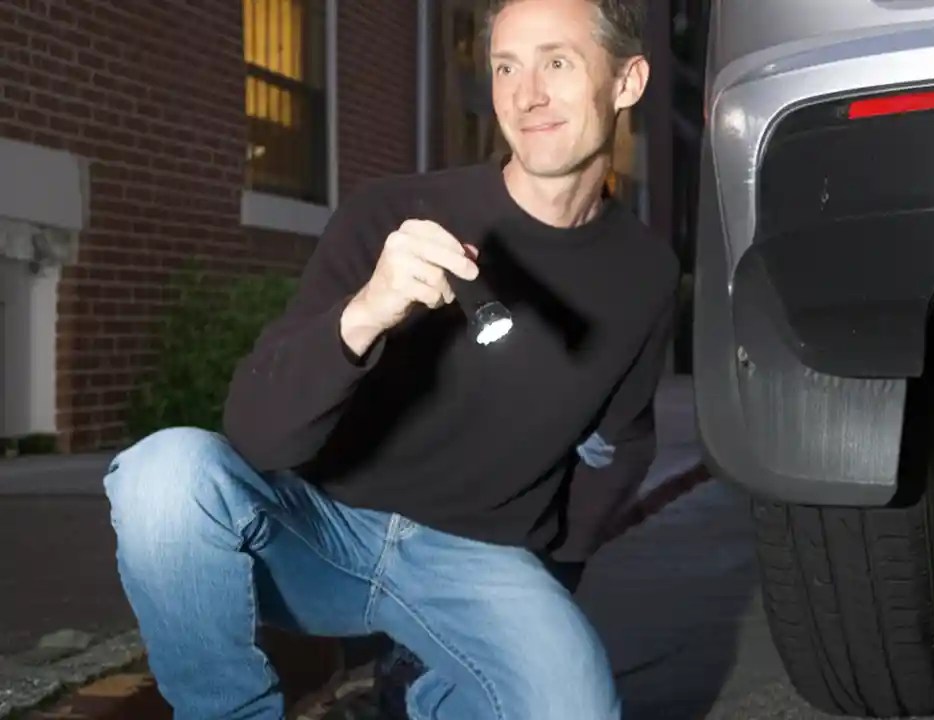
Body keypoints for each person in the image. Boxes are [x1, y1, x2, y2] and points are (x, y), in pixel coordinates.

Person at [102, 0, 675, 716]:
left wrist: (543, 600)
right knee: (163, 475)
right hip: (323, 532)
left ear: (628, 82)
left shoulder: (644, 275)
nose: (526, 95)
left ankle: (413, 691)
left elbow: (613, 451)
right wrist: (366, 313)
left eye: (557, 62)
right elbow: (253, 433)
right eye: (505, 66)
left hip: (478, 562)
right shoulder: (393, 214)